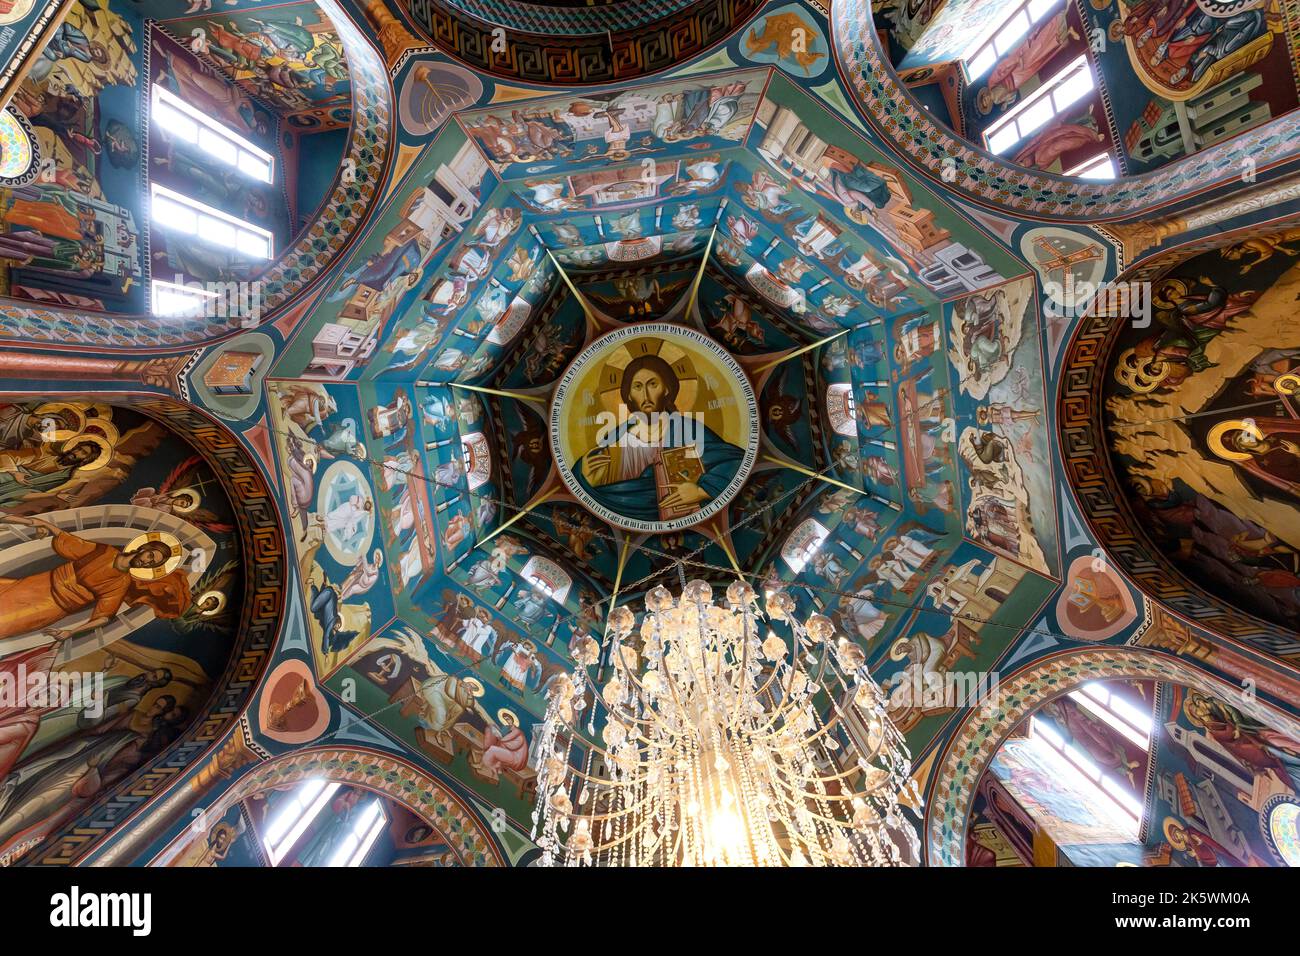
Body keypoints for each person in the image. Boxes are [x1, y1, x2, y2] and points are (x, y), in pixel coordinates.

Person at [575, 355, 744, 523]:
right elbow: (585, 487)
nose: (645, 395)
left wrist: (701, 491)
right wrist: (585, 479)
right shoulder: (614, 439)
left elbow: (736, 463)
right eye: (637, 387)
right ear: (628, 395)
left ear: (667, 388)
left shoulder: (690, 430)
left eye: (653, 384)